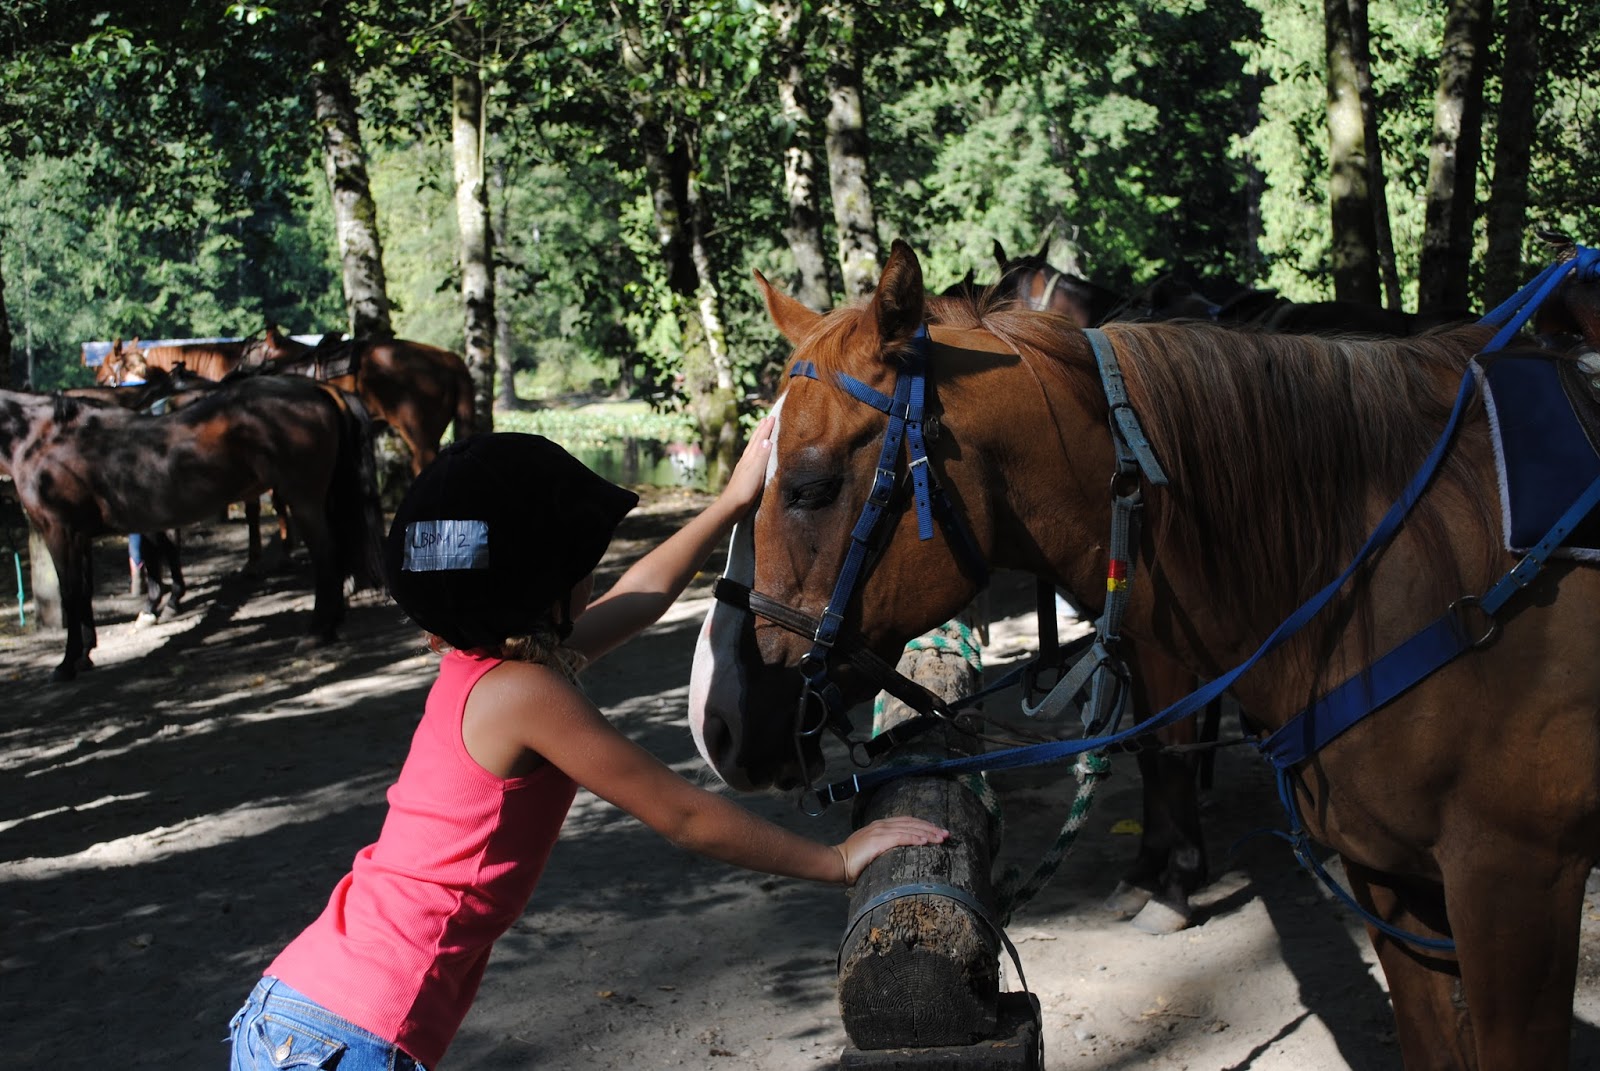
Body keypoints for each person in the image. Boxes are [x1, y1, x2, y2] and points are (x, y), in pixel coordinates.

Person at [226, 421, 949, 1071]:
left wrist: (730, 503)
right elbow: (683, 816)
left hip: (307, 1006)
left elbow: (642, 595)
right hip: (347, 1036)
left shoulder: (490, 667)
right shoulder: (526, 694)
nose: (595, 572)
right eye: (581, 562)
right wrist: (834, 860)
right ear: (542, 584)